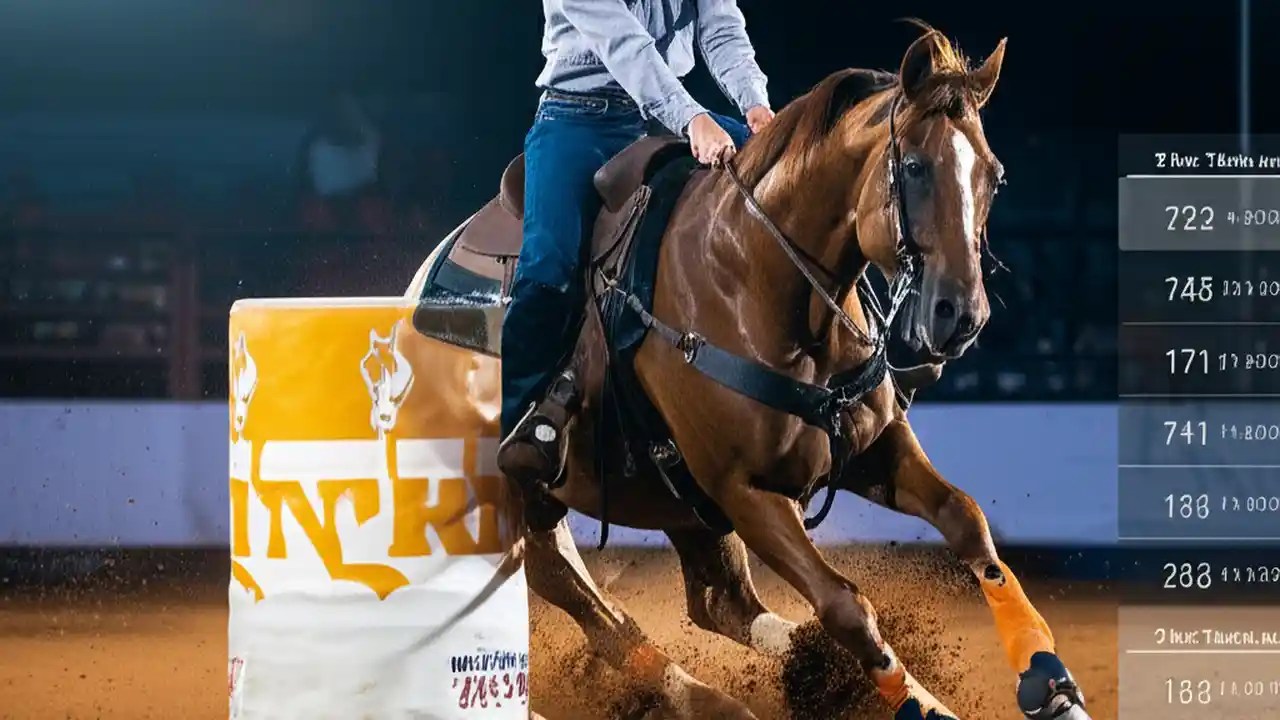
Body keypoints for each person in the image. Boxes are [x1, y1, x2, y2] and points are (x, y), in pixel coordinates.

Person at [498, 0, 775, 488]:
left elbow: (722, 30)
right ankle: (526, 428)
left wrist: (754, 105)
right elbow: (626, 47)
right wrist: (690, 118)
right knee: (549, 266)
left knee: (782, 187)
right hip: (578, 120)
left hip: (662, 111)